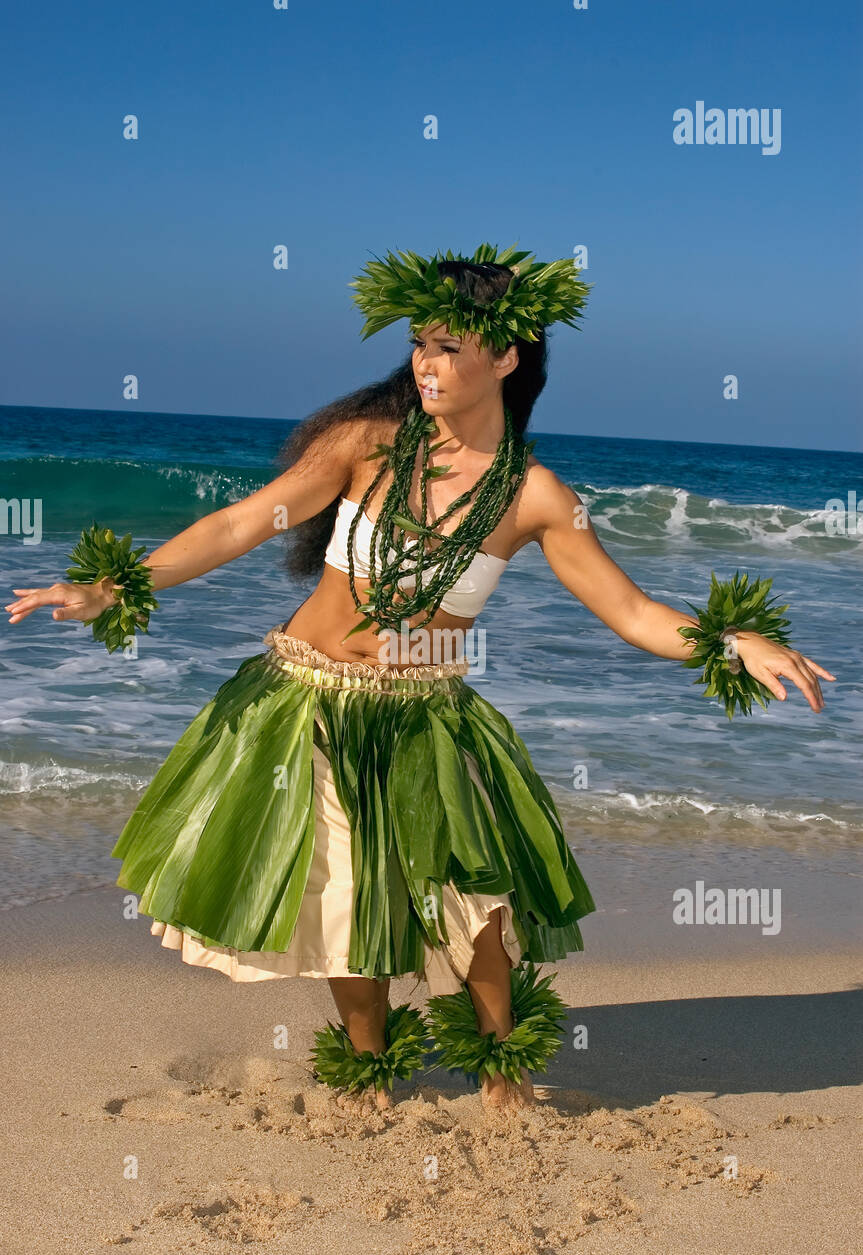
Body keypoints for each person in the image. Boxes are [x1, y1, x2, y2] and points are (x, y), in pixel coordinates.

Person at [6, 245, 834, 1113]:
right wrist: (115, 585)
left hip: (427, 714)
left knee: (474, 904)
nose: (425, 365)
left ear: (507, 358)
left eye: (448, 348)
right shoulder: (366, 446)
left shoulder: (537, 496)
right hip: (304, 702)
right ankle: (371, 1072)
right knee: (344, 900)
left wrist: (730, 639)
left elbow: (628, 612)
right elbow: (243, 521)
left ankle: (500, 1074)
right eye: (419, 345)